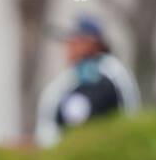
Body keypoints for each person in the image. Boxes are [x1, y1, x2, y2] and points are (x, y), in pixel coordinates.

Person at [34, 15, 140, 148]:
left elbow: (80, 118)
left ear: (91, 44)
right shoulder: (76, 76)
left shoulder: (105, 75)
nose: (68, 48)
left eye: (74, 42)